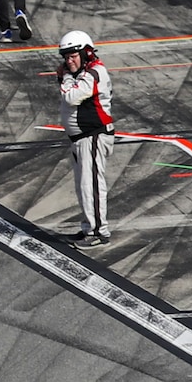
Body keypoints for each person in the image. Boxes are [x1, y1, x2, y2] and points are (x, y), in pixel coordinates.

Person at [57, 30, 114, 245]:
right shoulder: (82, 73)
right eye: (66, 56)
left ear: (86, 53)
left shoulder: (95, 73)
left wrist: (65, 76)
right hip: (81, 139)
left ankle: (99, 232)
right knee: (83, 186)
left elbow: (72, 97)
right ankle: (89, 228)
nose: (68, 61)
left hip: (93, 137)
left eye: (73, 56)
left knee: (92, 186)